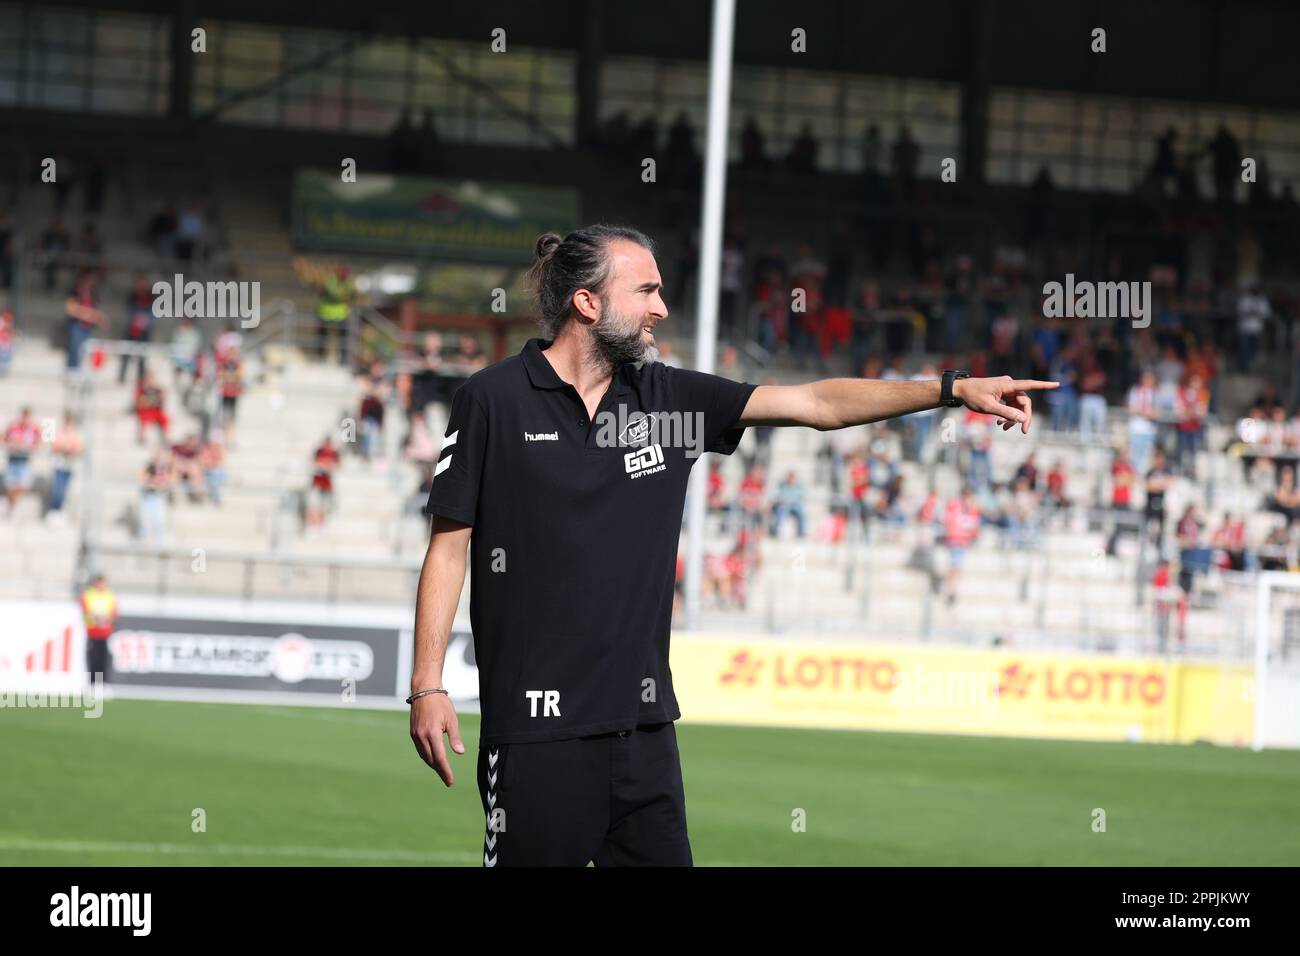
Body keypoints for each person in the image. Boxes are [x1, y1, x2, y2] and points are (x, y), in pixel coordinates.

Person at [407, 225, 1057, 866]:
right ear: (588, 302)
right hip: (537, 734)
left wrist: (950, 389)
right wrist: (426, 686)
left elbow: (816, 403)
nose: (662, 308)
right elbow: (448, 548)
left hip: (644, 734)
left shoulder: (671, 400)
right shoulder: (491, 399)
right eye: (647, 291)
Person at [64, 271, 108, 371]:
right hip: (77, 325)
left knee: (84, 351)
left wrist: (97, 318)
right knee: (74, 349)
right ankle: (72, 371)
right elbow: (70, 308)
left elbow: (95, 311)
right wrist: (85, 314)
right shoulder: (75, 291)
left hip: (87, 327)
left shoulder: (93, 293)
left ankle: (79, 371)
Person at [80, 574, 118, 682]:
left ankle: (101, 683)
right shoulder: (89, 595)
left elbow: (114, 615)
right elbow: (86, 613)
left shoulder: (110, 596)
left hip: (105, 633)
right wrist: (98, 619)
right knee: (93, 659)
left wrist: (104, 619)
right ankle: (92, 683)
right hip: (93, 632)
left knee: (103, 660)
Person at [3, 407, 40, 516]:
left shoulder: (33, 429)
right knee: (10, 486)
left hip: (24, 460)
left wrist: (27, 446)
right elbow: (4, 439)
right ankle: (10, 506)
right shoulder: (13, 427)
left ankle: (10, 505)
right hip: (13, 459)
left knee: (23, 485)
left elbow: (37, 443)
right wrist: (13, 445)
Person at [47, 412, 82, 519]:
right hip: (59, 463)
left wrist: (68, 448)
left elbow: (78, 448)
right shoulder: (59, 432)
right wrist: (64, 448)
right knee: (58, 488)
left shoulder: (75, 433)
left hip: (69, 464)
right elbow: (54, 446)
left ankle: (59, 510)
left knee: (64, 489)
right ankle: (55, 510)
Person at [306, 436, 340, 529]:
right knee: (313, 504)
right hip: (317, 483)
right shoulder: (319, 451)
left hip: (327, 485)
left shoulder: (334, 453)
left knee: (324, 506)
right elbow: (314, 462)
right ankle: (312, 524)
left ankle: (320, 525)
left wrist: (328, 465)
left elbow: (337, 465)